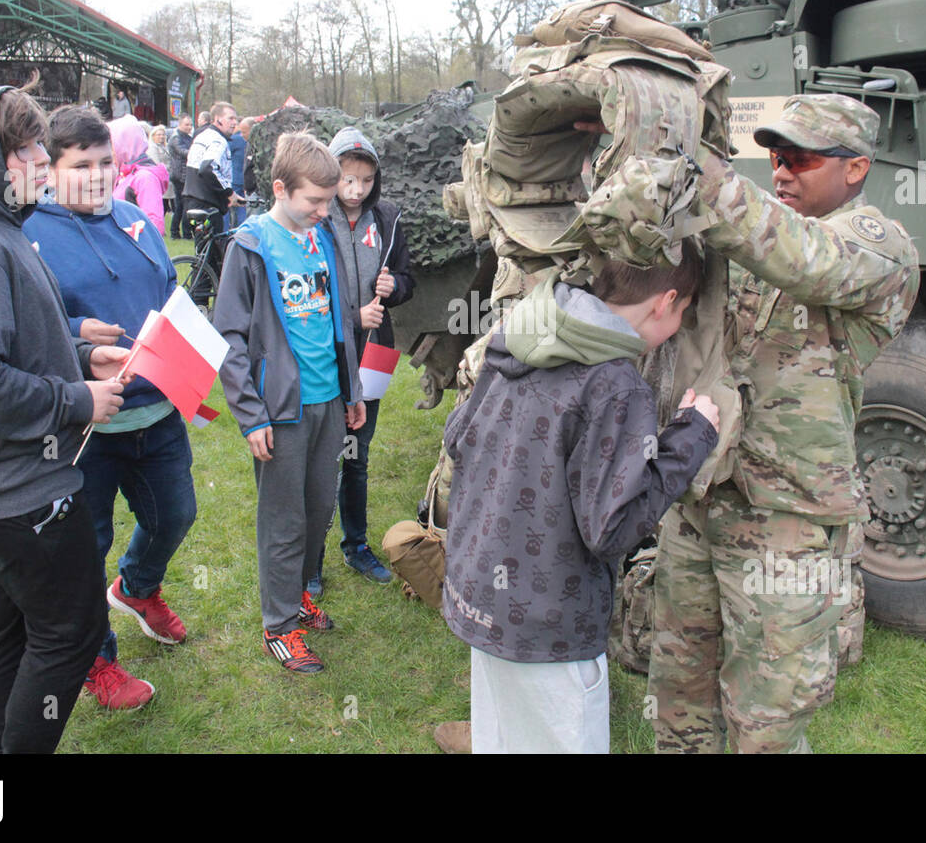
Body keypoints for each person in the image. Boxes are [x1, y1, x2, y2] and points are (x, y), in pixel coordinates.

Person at [648, 94, 920, 753]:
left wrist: (706, 172)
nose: (783, 171)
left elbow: (805, 260)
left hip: (788, 520)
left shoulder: (876, 246)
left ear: (855, 169)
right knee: (680, 695)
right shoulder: (747, 241)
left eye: (799, 157)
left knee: (766, 718)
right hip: (702, 495)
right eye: (773, 157)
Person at [0, 83, 132, 753]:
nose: (41, 158)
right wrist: (74, 400)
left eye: (39, 143)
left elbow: (15, 341)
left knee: (8, 628)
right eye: (25, 146)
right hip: (18, 491)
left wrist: (82, 355)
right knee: (68, 635)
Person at [440, 246, 722, 753]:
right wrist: (691, 437)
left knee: (501, 739)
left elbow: (459, 437)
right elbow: (610, 529)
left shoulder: (522, 330)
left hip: (481, 593)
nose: (680, 326)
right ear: (666, 302)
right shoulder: (615, 385)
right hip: (552, 625)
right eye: (683, 312)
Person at [22, 104, 198, 710]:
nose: (97, 176)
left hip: (157, 412)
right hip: (85, 425)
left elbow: (169, 298)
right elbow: (23, 329)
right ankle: (96, 660)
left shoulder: (134, 220)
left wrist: (195, 372)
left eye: (105, 163)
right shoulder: (28, 233)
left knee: (176, 515)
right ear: (50, 167)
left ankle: (139, 588)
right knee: (84, 547)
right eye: (80, 165)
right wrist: (76, 336)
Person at [214, 132, 365, 675]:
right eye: (315, 202)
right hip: (281, 412)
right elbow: (227, 337)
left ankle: (298, 594)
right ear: (280, 188)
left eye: (329, 201)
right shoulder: (250, 246)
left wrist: (352, 391)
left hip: (329, 403)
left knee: (317, 509)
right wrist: (251, 414)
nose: (326, 212)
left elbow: (339, 320)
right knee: (283, 521)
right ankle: (279, 627)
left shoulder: (318, 237)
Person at [307, 127, 414, 596]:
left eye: (366, 180)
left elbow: (410, 277)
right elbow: (303, 295)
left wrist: (396, 290)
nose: (355, 191)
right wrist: (352, 315)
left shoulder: (387, 218)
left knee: (357, 454)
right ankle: (309, 560)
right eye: (347, 180)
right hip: (323, 354)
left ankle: (356, 546)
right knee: (319, 458)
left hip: (373, 354)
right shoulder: (313, 217)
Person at [183, 102, 242, 235]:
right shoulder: (218, 140)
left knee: (202, 250)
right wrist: (229, 193)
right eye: (230, 118)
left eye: (236, 119)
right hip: (207, 207)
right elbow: (208, 168)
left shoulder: (203, 136)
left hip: (191, 202)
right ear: (217, 119)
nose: (234, 123)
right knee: (215, 251)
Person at [109, 116, 169, 231]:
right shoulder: (124, 174)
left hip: (130, 246)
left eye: (111, 145)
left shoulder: (145, 178)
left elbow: (153, 224)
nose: (108, 151)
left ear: (124, 144)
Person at [167, 114, 194, 239]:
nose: (189, 127)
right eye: (186, 124)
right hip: (179, 176)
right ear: (180, 124)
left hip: (186, 175)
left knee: (182, 205)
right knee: (182, 205)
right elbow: (183, 152)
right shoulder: (176, 138)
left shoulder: (188, 137)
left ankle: (178, 232)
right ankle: (180, 232)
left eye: (190, 124)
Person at [228, 118, 251, 228]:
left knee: (233, 208)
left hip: (236, 179)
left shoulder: (234, 140)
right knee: (243, 208)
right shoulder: (247, 140)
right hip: (245, 179)